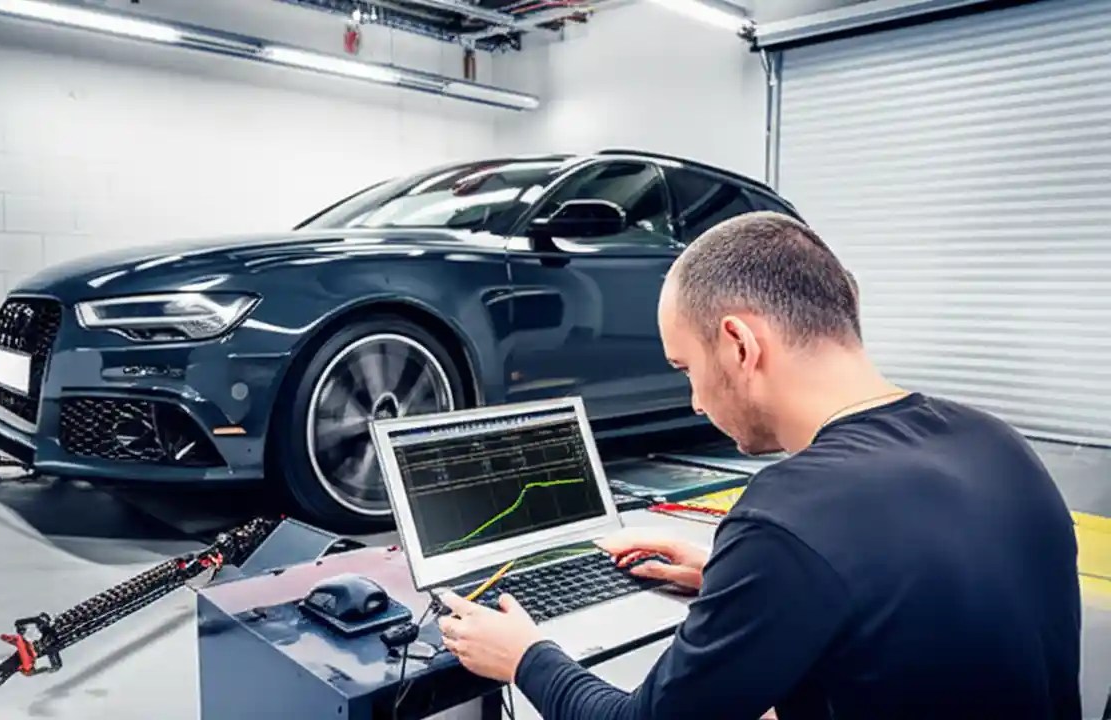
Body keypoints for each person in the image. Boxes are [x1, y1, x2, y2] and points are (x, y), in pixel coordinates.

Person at [436, 211, 1082, 719]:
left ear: (740, 345)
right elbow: (915, 599)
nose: (693, 399)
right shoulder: (998, 443)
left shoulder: (787, 518)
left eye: (687, 368)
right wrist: (726, 576)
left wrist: (525, 658)